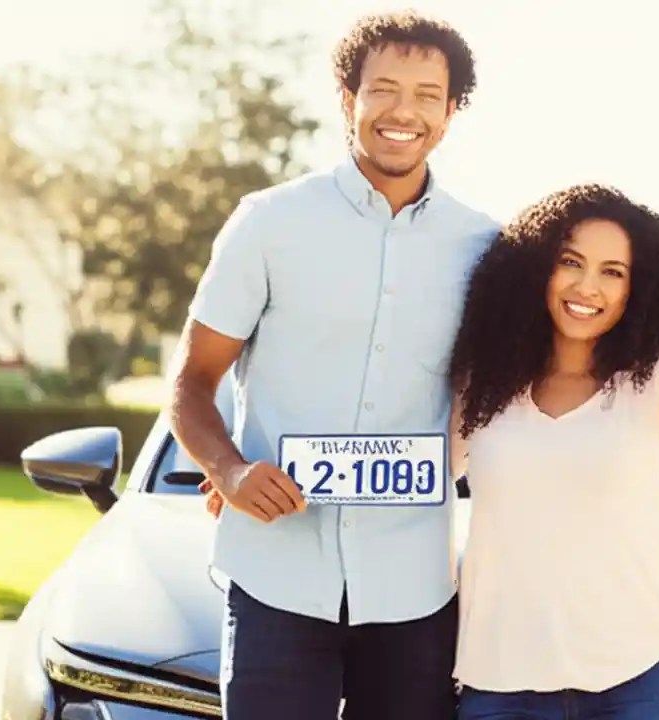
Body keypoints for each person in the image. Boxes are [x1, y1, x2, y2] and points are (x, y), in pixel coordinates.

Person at [169, 10, 498, 720]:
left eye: (426, 95)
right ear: (347, 99)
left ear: (449, 113)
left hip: (415, 590)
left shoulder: (486, 247)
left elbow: (509, 396)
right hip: (276, 579)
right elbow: (192, 383)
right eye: (382, 89)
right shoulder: (268, 223)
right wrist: (229, 471)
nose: (402, 111)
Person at [444, 184, 659, 720]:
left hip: (638, 679)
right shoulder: (482, 391)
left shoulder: (654, 386)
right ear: (540, 268)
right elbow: (410, 475)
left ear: (635, 290)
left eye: (613, 272)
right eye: (571, 262)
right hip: (499, 682)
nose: (588, 286)